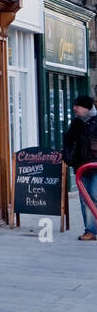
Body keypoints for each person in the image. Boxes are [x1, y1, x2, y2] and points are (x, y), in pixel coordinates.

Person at [62, 96, 97, 241]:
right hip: (81, 167)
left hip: (95, 166)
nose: (74, 108)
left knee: (94, 195)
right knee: (86, 199)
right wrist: (68, 157)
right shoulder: (76, 123)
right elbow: (68, 141)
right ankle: (90, 231)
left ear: (87, 107)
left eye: (78, 106)